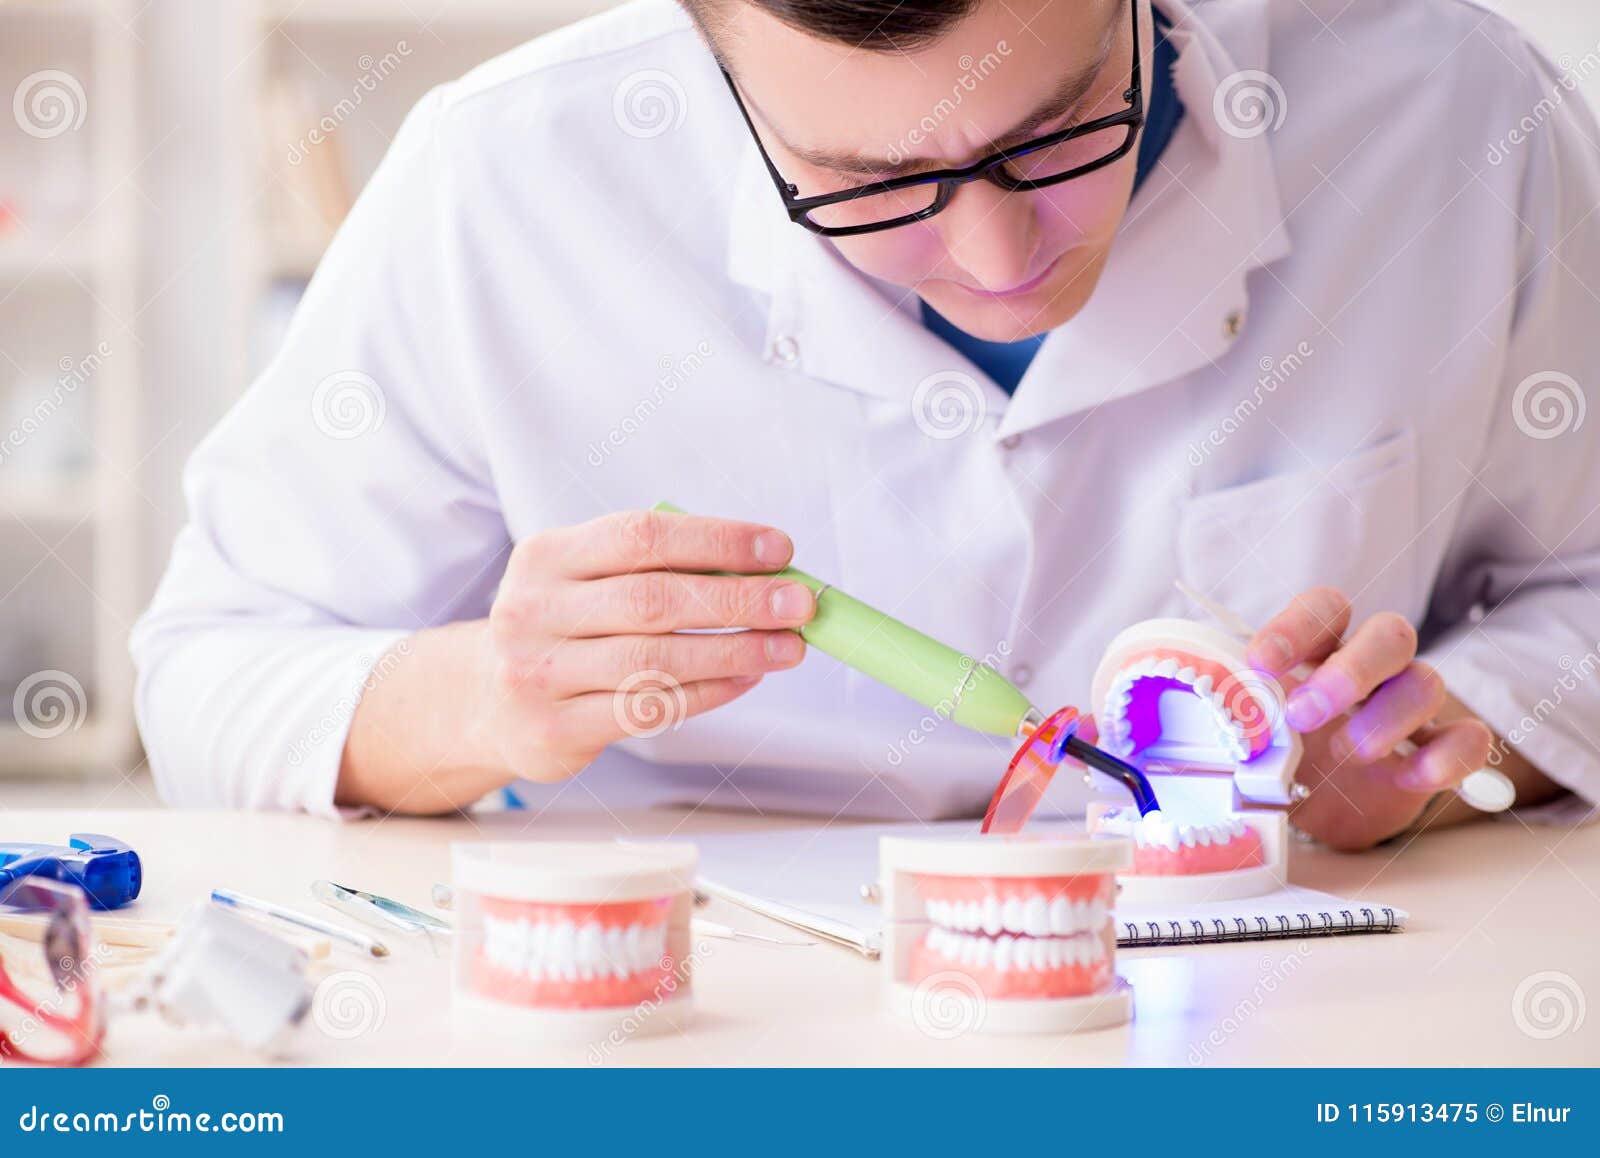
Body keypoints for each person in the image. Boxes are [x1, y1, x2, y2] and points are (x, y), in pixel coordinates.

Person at [133, 0, 1600, 848]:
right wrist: (486, 698)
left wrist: (1465, 742)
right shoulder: (504, 181)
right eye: (863, 179)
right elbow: (207, 668)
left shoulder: (1448, 115)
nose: (995, 251)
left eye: (1062, 124)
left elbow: (1582, 591)